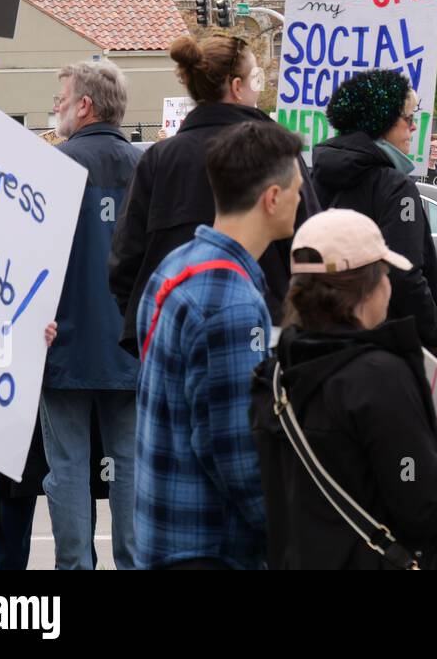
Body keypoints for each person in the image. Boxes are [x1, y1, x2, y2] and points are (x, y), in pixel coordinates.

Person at [250, 209, 437, 569]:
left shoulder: (274, 375)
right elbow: (423, 507)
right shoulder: (378, 378)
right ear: (370, 285)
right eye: (386, 273)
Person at [134, 120, 303, 570]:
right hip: (209, 547)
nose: (300, 200)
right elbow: (235, 451)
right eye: (296, 190)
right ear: (271, 198)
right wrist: (290, 534)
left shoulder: (177, 263)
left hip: (165, 531)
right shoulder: (232, 302)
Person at [109, 35, 319, 355]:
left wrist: (151, 324)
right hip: (265, 335)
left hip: (171, 334)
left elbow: (125, 259)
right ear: (237, 87)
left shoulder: (159, 158)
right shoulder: (276, 152)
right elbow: (311, 247)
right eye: (256, 79)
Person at [38, 61, 142, 570]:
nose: (55, 104)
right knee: (130, 466)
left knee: (68, 467)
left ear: (85, 105)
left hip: (62, 342)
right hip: (130, 346)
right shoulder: (145, 167)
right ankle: (133, 562)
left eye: (62, 96)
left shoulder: (53, 165)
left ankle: (74, 565)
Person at [310, 70, 437, 355]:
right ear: (382, 123)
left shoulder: (316, 177)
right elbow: (404, 273)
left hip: (326, 336)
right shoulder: (394, 185)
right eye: (408, 119)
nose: (413, 128)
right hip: (387, 342)